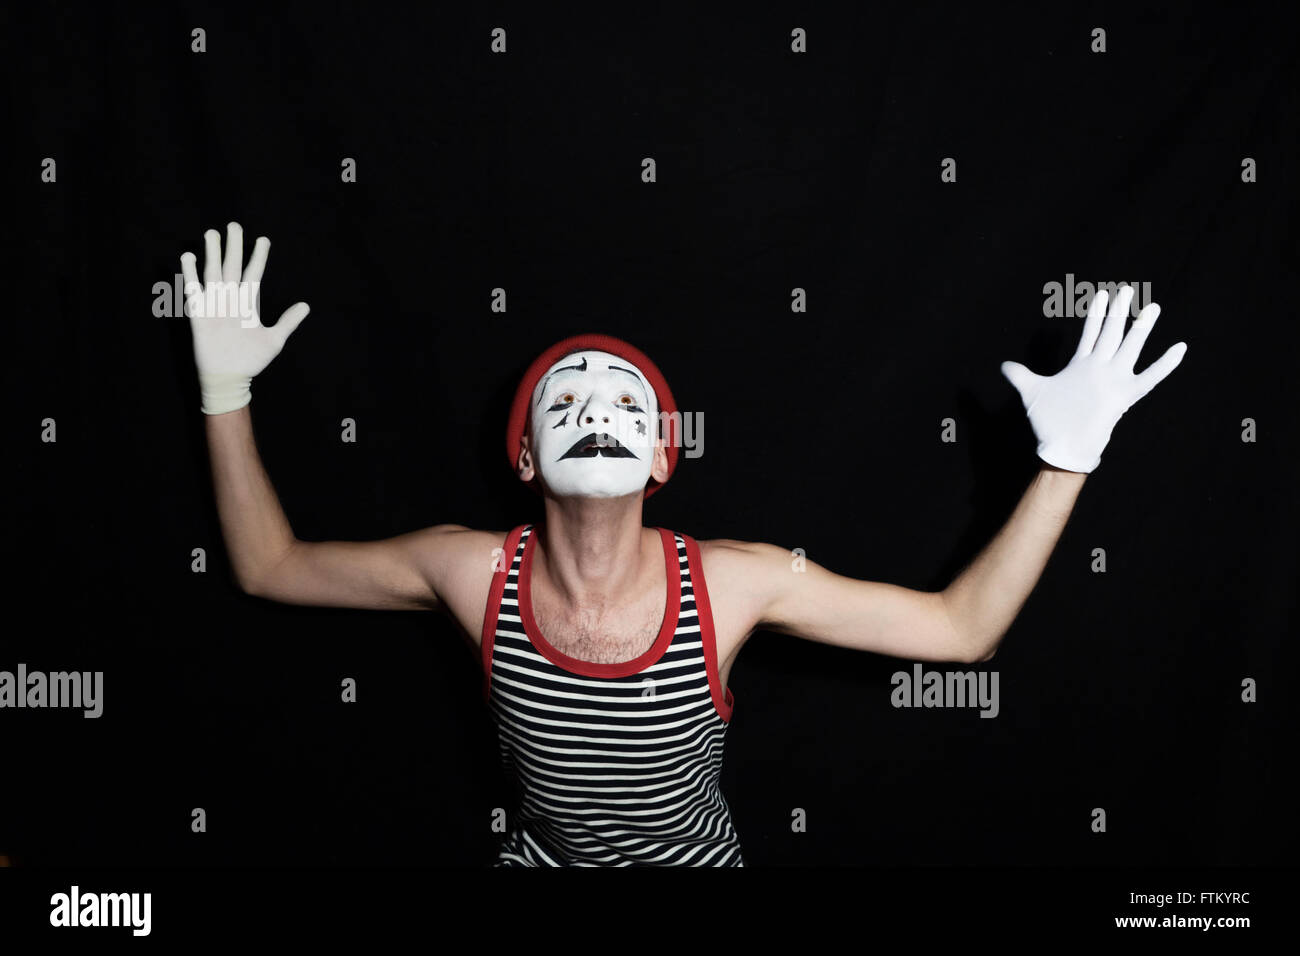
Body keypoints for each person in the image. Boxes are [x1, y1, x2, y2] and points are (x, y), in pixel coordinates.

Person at [180, 222, 1188, 866]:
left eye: (623, 399)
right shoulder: (472, 569)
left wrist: (1068, 459)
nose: (594, 409)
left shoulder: (733, 581)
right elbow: (269, 566)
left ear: (664, 452)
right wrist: (226, 391)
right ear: (523, 455)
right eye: (562, 399)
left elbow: (960, 631)